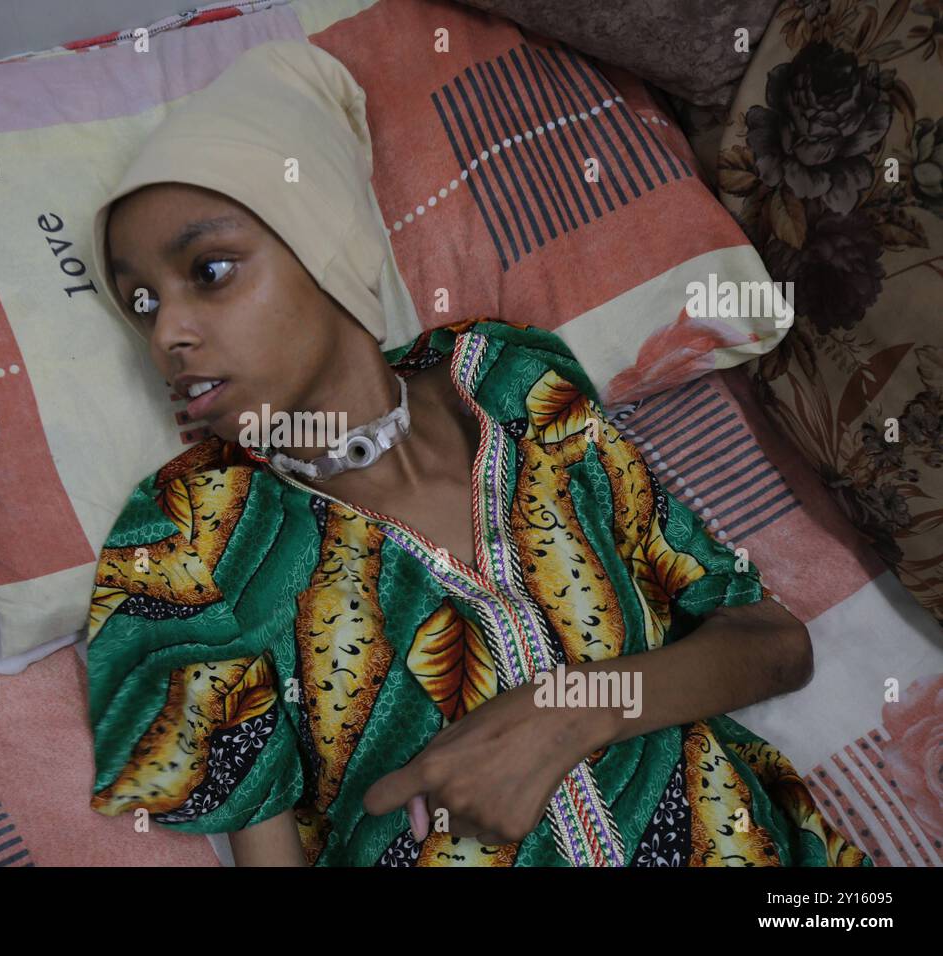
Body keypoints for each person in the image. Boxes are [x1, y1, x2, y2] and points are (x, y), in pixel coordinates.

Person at [82, 39, 869, 868]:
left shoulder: (515, 384)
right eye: (140, 303)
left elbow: (773, 644)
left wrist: (569, 709)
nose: (166, 333)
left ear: (324, 246)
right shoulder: (190, 534)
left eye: (209, 271)